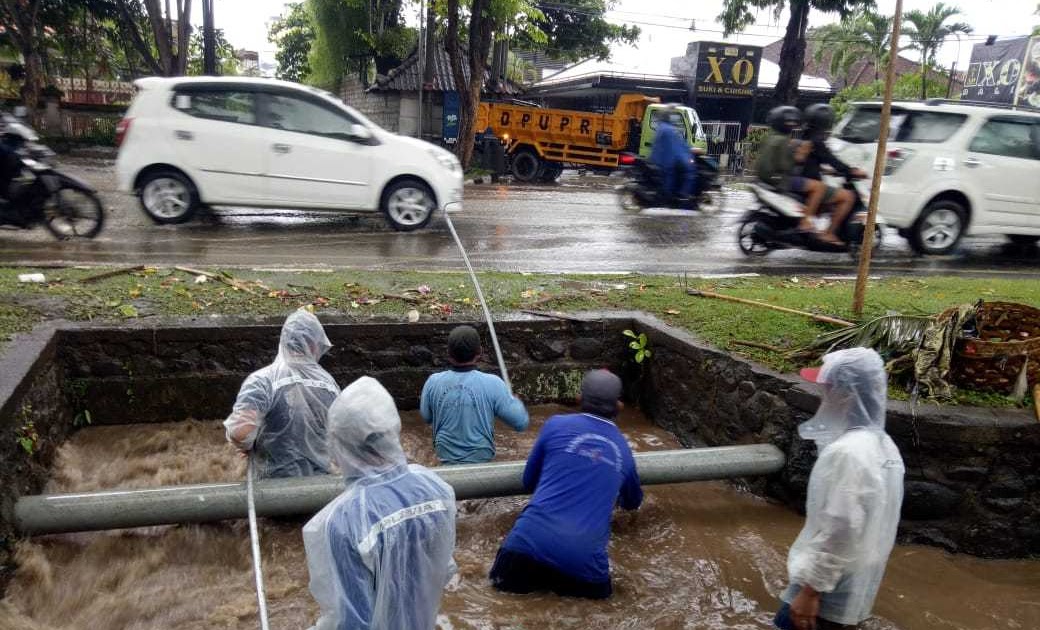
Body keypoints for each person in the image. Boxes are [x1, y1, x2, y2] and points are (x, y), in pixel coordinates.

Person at [303, 376, 457, 630]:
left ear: (339, 443)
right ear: (391, 431)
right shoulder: (435, 488)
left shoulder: (344, 520)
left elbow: (353, 620)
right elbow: (444, 569)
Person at [774, 348, 905, 630]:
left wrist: (810, 593)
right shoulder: (885, 447)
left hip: (825, 593)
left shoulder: (849, 452)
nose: (823, 397)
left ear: (846, 395)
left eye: (827, 390)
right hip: (854, 586)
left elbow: (842, 525)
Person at [489, 369, 642, 599]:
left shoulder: (554, 425)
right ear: (619, 406)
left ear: (580, 398)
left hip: (524, 546)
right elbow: (632, 502)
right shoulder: (624, 451)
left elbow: (529, 481)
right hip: (583, 565)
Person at [223, 308, 338, 478]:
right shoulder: (330, 385)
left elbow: (240, 432)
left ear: (284, 341)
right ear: (314, 345)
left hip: (273, 488)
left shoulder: (262, 380)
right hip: (318, 487)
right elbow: (342, 437)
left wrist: (249, 445)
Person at [420, 325, 528, 465]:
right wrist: (516, 403)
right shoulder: (494, 383)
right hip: (481, 456)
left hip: (444, 456)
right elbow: (521, 423)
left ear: (448, 353)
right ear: (480, 352)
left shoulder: (432, 382)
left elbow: (426, 417)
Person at [798, 104, 869, 246]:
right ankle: (829, 233)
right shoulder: (817, 141)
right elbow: (831, 159)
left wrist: (830, 171)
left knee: (831, 201)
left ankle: (816, 230)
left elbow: (815, 160)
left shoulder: (806, 135)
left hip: (803, 178)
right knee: (848, 197)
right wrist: (851, 171)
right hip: (809, 182)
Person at [756, 105, 829, 239]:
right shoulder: (784, 140)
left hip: (764, 178)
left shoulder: (770, 136)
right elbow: (785, 165)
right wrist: (797, 161)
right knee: (820, 187)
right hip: (779, 179)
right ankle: (805, 222)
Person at [648, 106, 697, 203]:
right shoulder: (669, 130)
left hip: (660, 159)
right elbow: (678, 146)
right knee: (689, 172)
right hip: (668, 161)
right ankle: (682, 195)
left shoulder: (662, 128)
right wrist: (689, 152)